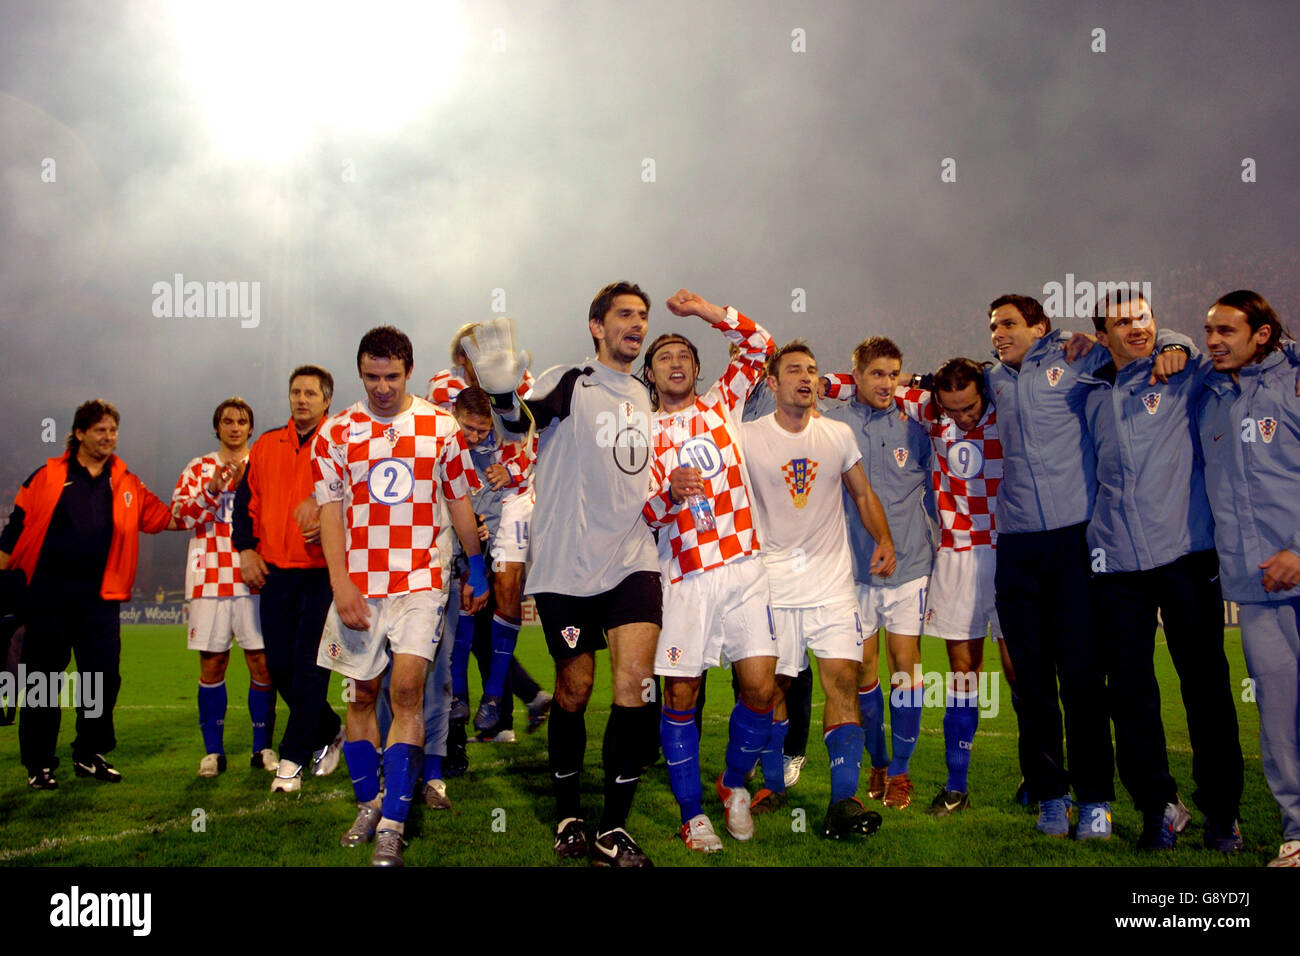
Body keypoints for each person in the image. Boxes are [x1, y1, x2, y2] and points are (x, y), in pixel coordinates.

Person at [470, 281, 678, 867]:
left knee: (636, 684)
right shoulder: (571, 380)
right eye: (624, 316)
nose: (636, 325)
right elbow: (521, 424)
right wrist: (503, 395)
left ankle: (613, 830)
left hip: (633, 558)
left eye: (642, 316)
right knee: (576, 689)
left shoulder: (644, 393)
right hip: (566, 565)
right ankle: (568, 815)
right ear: (597, 325)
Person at [987, 293, 1188, 839]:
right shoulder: (993, 379)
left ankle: (1095, 798)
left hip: (1078, 541)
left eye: (1008, 324)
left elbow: (1141, 350)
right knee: (1031, 683)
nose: (998, 333)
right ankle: (1051, 796)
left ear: (1040, 326)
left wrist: (1176, 344)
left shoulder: (1079, 358)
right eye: (992, 327)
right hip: (1018, 546)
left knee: (1082, 678)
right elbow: (934, 384)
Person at [314, 326, 488, 867]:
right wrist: (341, 584)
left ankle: (393, 821)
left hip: (420, 581)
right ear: (359, 372)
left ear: (409, 370)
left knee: (408, 691)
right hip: (361, 585)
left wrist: (475, 566)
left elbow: (459, 499)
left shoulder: (440, 427)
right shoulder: (336, 433)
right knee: (361, 698)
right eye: (371, 376)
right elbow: (330, 514)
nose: (382, 387)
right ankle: (368, 801)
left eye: (391, 376)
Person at [1079, 289, 1243, 850]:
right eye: (1122, 322)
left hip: (1186, 555)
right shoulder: (1089, 393)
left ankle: (1223, 813)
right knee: (1129, 695)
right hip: (1116, 564)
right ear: (1103, 336)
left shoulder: (1187, 371)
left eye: (1144, 318)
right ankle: (1159, 807)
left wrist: (1179, 342)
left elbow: (1257, 349)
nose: (1137, 328)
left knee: (1206, 689)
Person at [638, 288, 776, 853]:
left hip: (744, 568)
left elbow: (759, 344)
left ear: (697, 368)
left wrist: (705, 313)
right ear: (649, 373)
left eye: (683, 355)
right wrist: (668, 495)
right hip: (685, 577)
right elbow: (635, 517)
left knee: (762, 690)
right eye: (662, 357)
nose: (674, 362)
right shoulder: (640, 434)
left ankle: (733, 784)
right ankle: (692, 814)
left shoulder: (724, 405)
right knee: (681, 695)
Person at [741, 340, 897, 839]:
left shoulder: (837, 434)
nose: (806, 378)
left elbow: (863, 492)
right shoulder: (745, 438)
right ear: (772, 382)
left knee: (843, 683)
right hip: (771, 585)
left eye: (811, 369)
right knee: (770, 689)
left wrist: (885, 539)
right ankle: (771, 784)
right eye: (794, 370)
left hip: (831, 584)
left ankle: (842, 801)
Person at [0, 399, 179, 788]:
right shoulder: (48, 476)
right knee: (42, 682)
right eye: (100, 430)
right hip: (47, 597)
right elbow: (15, 529)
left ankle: (89, 752)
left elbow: (163, 517)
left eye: (113, 430)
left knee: (101, 678)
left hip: (101, 600)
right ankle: (39, 763)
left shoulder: (126, 481)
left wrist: (210, 498)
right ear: (79, 433)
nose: (108, 437)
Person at [1196, 290, 1300, 867]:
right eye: (1208, 331)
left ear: (1261, 333)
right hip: (1256, 588)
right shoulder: (1207, 397)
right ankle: (1297, 834)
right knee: (1279, 718)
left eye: (1226, 331)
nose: (1213, 341)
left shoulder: (1293, 383)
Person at [823, 338, 935, 811]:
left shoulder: (917, 427)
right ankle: (880, 760)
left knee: (905, 668)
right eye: (876, 374)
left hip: (910, 564)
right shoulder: (834, 421)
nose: (887, 383)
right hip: (856, 567)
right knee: (862, 674)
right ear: (857, 375)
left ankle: (903, 773)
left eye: (894, 374)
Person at [426, 336, 550, 738]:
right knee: (464, 593)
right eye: (470, 429)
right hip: (466, 499)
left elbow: (533, 437)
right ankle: (461, 698)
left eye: (483, 431)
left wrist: (511, 473)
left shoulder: (515, 393)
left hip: (513, 498)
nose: (477, 436)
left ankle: (495, 697)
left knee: (506, 584)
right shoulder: (441, 394)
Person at [232, 365, 344, 792]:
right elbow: (245, 506)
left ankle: (291, 760)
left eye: (310, 393)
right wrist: (246, 550)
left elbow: (359, 502)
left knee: (310, 668)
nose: (301, 399)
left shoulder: (341, 444)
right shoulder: (265, 445)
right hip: (275, 573)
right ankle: (330, 728)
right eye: (295, 392)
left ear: (326, 400)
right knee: (278, 669)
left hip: (322, 574)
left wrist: (330, 519)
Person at [171, 397, 278, 777]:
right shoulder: (198, 467)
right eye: (227, 421)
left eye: (242, 421)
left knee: (262, 664)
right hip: (210, 580)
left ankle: (262, 749)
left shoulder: (263, 463)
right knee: (212, 663)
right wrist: (212, 490)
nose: (235, 427)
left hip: (254, 578)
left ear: (250, 427)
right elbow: (180, 516)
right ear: (217, 427)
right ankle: (213, 752)